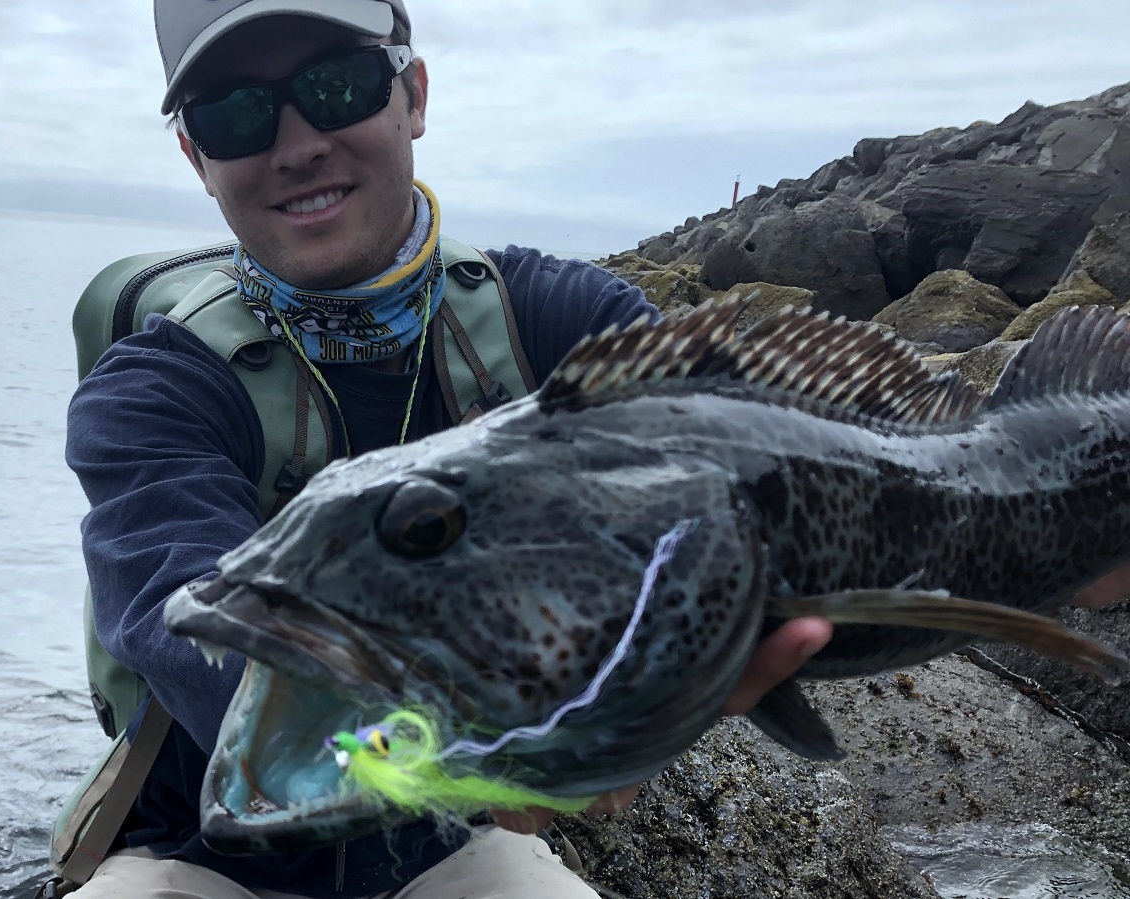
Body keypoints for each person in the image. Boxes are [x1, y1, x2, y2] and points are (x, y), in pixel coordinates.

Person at [57, 0, 1103, 895]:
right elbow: (177, 620)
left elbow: (698, 503)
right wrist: (513, 740)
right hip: (196, 854)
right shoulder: (151, 387)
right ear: (196, 155)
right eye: (234, 113)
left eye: (334, 86)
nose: (294, 144)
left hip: (450, 850)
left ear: (411, 94)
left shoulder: (570, 318)